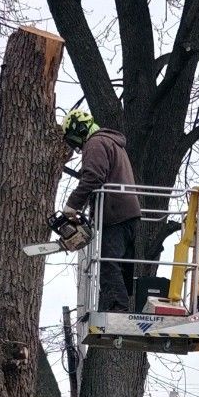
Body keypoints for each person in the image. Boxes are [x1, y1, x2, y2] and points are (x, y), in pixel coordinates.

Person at [61, 108, 142, 311]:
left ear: (80, 129)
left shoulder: (95, 143)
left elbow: (93, 176)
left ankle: (117, 309)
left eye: (73, 138)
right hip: (128, 212)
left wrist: (72, 205)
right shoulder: (113, 143)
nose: (76, 145)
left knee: (108, 263)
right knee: (120, 265)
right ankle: (117, 306)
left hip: (115, 213)